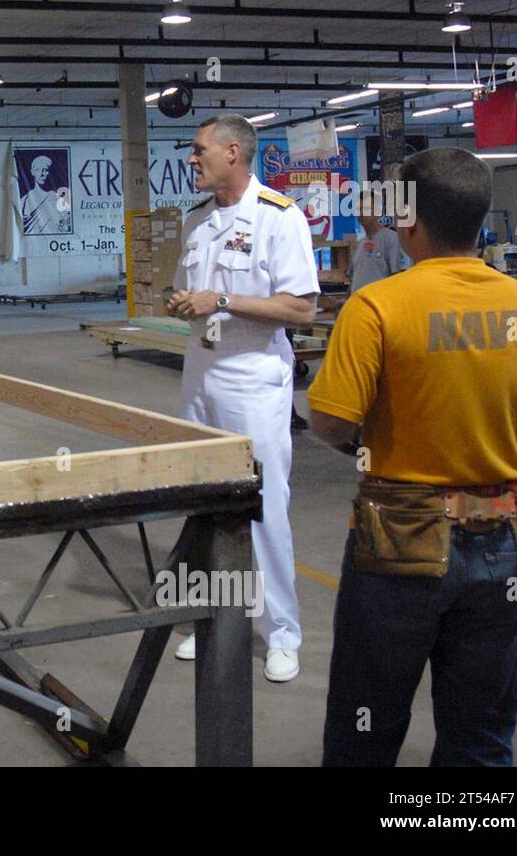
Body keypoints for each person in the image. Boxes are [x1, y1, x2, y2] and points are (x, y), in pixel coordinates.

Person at [310, 147, 517, 766]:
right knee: (480, 733)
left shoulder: (376, 308)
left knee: (365, 726)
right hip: (504, 543)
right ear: (479, 219)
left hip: (400, 542)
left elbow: (329, 420)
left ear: (407, 220)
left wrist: (375, 437)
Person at [165, 114, 319, 683]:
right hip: (200, 370)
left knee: (265, 505)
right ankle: (214, 616)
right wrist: (183, 301)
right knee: (204, 499)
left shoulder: (280, 217)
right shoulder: (198, 220)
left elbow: (303, 308)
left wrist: (221, 299)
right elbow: (195, 292)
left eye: (199, 150)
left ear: (234, 152)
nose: (191, 159)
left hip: (252, 375)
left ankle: (282, 633)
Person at [349, 185, 408, 293]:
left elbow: (399, 277)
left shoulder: (392, 240)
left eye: (366, 209)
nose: (362, 213)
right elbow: (353, 279)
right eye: (359, 209)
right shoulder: (360, 244)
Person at [20, 155, 69, 235]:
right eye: (38, 170)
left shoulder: (57, 200)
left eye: (45, 170)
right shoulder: (24, 201)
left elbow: (65, 227)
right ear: (32, 172)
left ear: (50, 172)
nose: (41, 174)